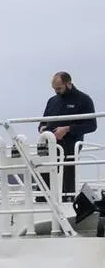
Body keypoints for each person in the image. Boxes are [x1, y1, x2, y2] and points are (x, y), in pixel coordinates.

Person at [38, 71, 96, 201]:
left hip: (70, 144)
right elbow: (42, 121)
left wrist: (67, 129)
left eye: (59, 88)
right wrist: (42, 128)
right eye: (54, 89)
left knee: (68, 172)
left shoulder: (84, 100)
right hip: (50, 144)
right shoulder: (52, 101)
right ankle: (42, 199)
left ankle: (68, 199)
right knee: (45, 169)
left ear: (69, 84)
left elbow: (92, 125)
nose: (56, 91)